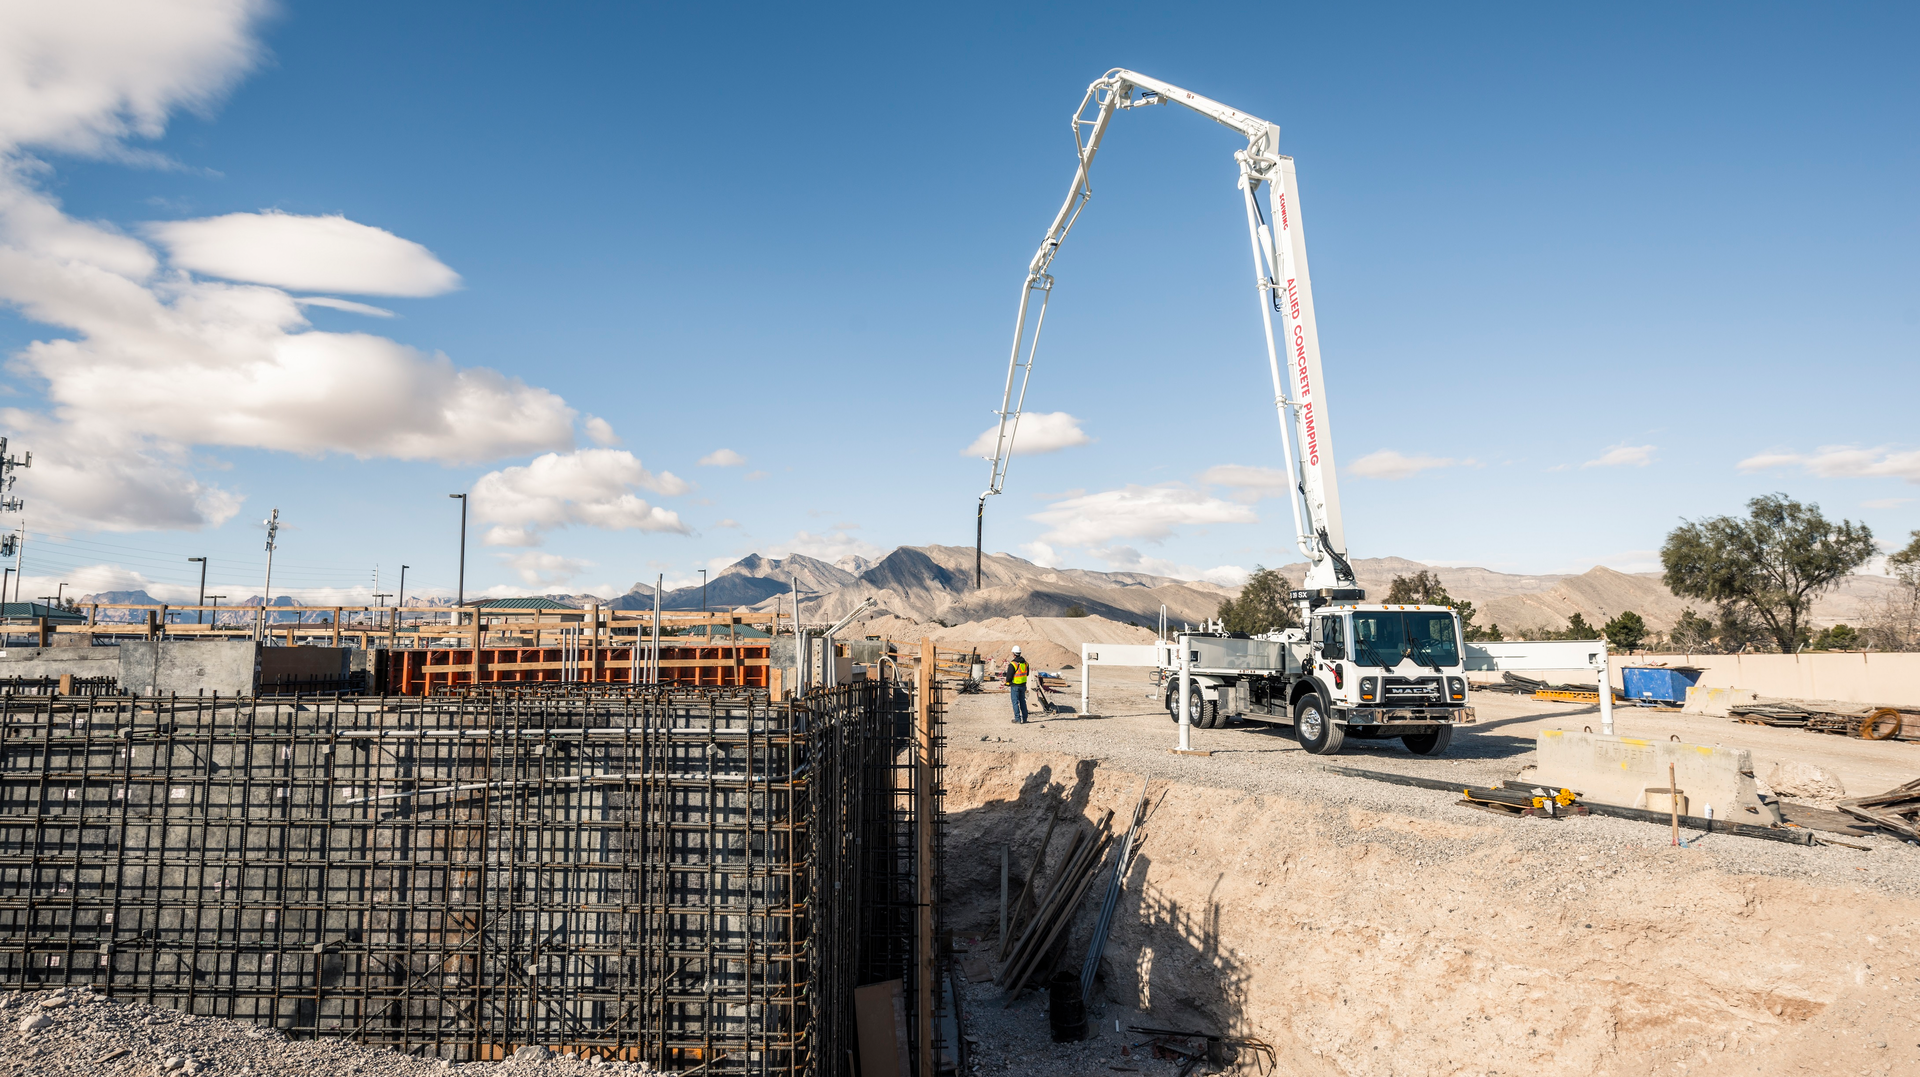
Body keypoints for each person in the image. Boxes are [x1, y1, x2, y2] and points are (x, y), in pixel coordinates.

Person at [1005, 645, 1030, 724]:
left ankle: (1017, 719)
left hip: (1015, 685)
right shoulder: (1026, 663)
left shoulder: (1013, 664)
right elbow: (1027, 673)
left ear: (1014, 654)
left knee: (1015, 702)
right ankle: (1025, 718)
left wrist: (1008, 682)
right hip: (1023, 685)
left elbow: (1009, 675)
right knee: (1023, 701)